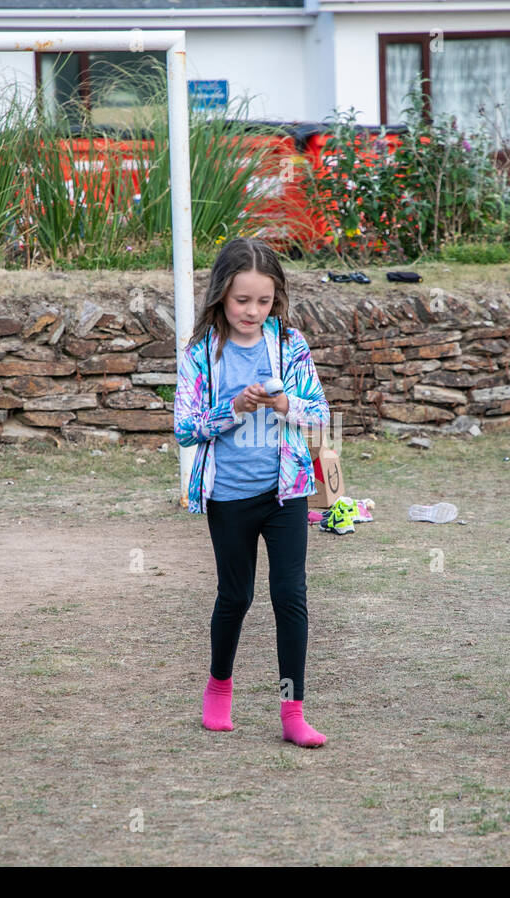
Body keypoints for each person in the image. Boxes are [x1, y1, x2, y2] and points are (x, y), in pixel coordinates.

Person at [174, 237, 331, 747]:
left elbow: (322, 414)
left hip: (286, 492)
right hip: (228, 497)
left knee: (290, 597)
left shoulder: (289, 344)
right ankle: (219, 686)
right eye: (242, 300)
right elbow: (185, 429)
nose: (252, 311)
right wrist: (233, 408)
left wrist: (286, 405)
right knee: (235, 596)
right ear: (221, 294)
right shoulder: (201, 353)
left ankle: (293, 712)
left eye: (264, 301)